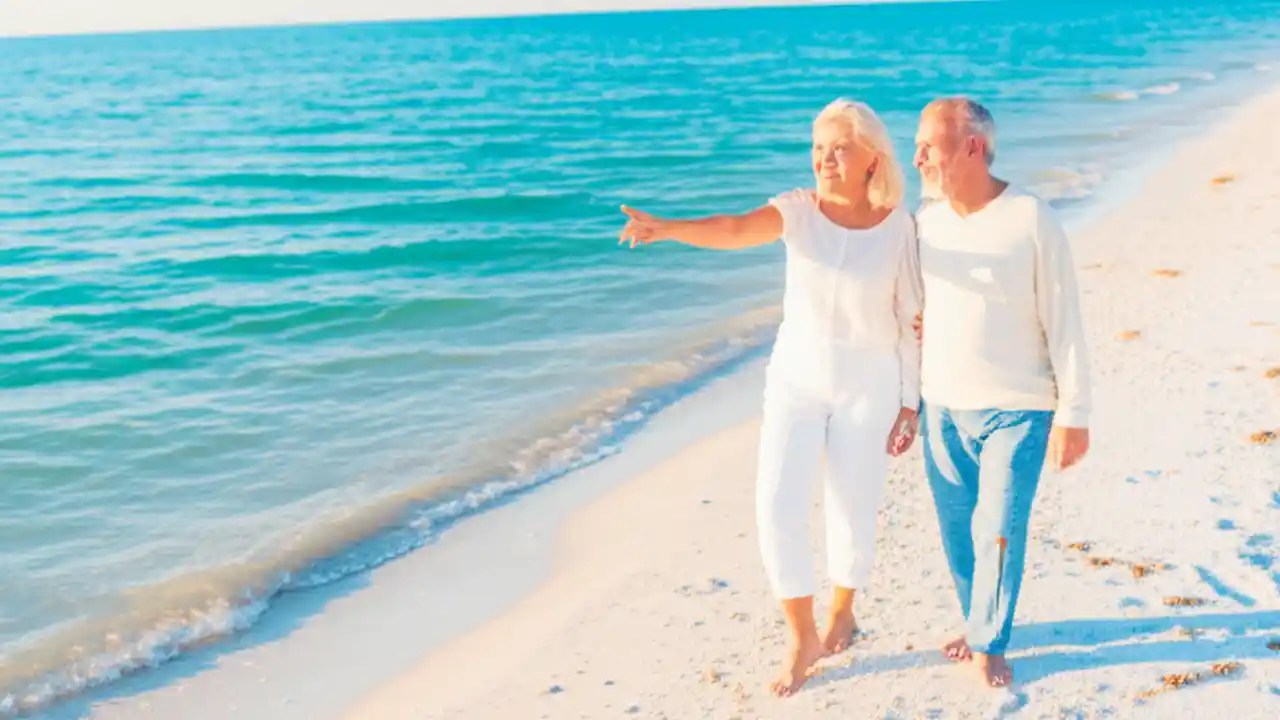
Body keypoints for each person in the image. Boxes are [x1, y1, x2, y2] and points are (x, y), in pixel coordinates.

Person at [618, 98, 922, 696]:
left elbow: (910, 312)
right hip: (798, 380)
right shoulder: (797, 211)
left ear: (871, 158)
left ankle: (843, 610)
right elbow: (735, 228)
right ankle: (801, 634)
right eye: (817, 148)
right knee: (777, 506)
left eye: (838, 147)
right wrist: (670, 228)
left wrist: (911, 402)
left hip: (872, 382)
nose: (825, 159)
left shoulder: (899, 225)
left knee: (853, 509)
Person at [912, 97, 1092, 688]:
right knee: (956, 530)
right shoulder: (925, 221)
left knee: (998, 528)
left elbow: (1064, 318)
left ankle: (989, 640)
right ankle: (976, 619)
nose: (917, 158)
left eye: (927, 146)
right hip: (940, 403)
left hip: (1018, 407)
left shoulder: (1030, 217)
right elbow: (910, 305)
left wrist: (1075, 413)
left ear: (971, 146)